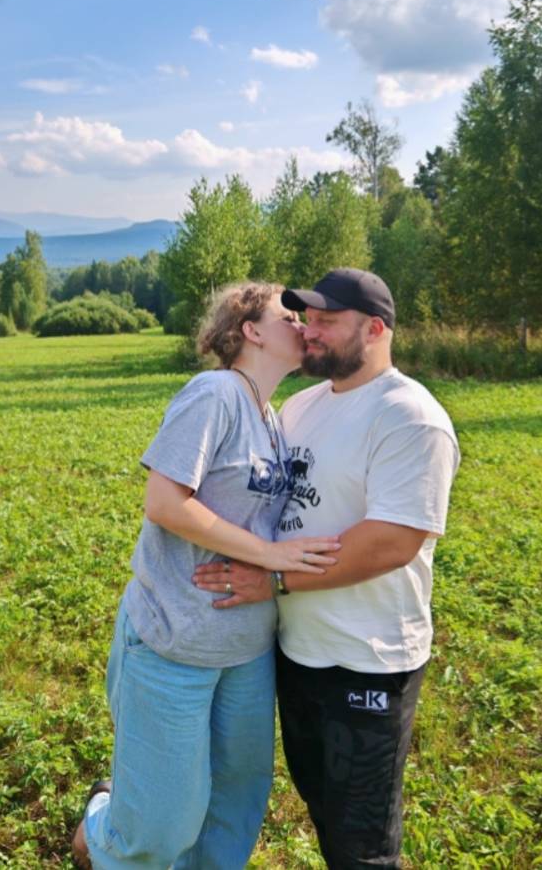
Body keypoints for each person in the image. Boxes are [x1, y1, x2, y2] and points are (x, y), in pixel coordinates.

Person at [191, 268, 458, 869]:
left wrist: (274, 580)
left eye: (327, 321)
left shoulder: (408, 416)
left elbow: (392, 542)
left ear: (375, 330)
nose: (310, 331)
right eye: (306, 318)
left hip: (366, 661)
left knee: (360, 846)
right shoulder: (301, 406)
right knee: (319, 802)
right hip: (298, 653)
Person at [74, 282, 344, 869]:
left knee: (231, 811)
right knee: (161, 825)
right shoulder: (215, 393)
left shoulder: (271, 416)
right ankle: (98, 830)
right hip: (175, 638)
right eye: (289, 316)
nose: (303, 325)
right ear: (251, 331)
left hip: (247, 651)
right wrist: (270, 555)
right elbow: (165, 503)